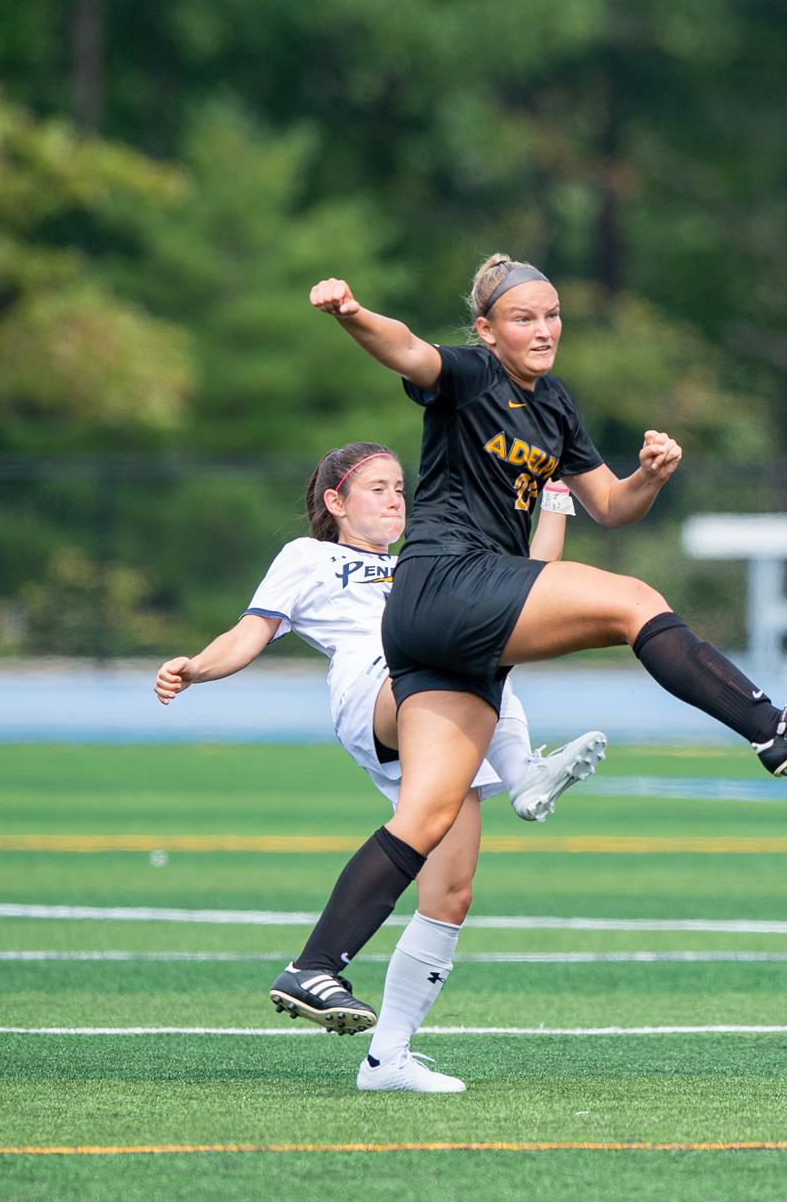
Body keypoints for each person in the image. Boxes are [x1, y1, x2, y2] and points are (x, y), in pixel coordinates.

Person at [274, 256, 787, 1033]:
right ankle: (771, 724)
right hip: (446, 583)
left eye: (552, 314)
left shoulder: (553, 405)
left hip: (448, 631)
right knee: (631, 603)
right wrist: (352, 312)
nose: (544, 328)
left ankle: (315, 968)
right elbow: (408, 348)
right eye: (523, 317)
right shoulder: (470, 375)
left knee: (426, 822)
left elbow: (613, 505)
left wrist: (651, 474)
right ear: (487, 330)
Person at [153, 442, 607, 1090]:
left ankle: (385, 1058)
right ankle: (524, 772)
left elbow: (533, 576)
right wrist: (196, 667)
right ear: (335, 502)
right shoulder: (307, 556)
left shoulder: (424, 558)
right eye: (377, 488)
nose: (396, 498)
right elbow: (248, 633)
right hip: (378, 691)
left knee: (450, 892)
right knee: (463, 641)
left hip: (448, 710)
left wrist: (558, 493)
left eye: (400, 486)